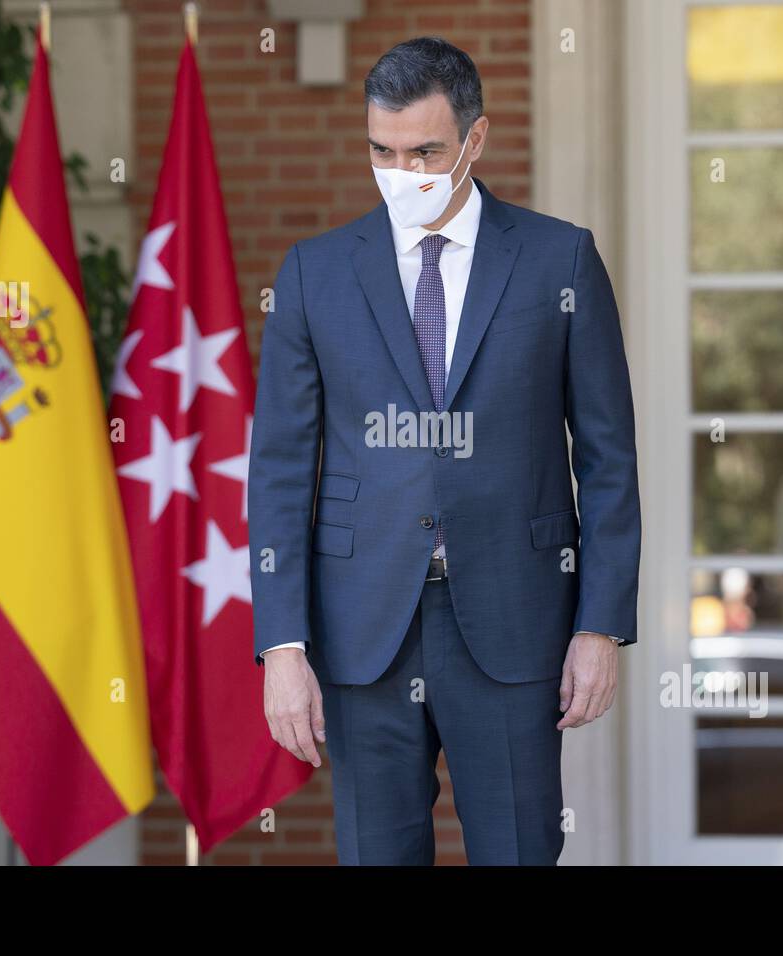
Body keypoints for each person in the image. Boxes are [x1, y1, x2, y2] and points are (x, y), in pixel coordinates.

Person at [248, 36, 641, 865]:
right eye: (382, 153)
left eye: (425, 151)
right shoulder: (316, 274)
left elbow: (606, 457)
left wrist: (601, 623)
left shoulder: (558, 260)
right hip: (362, 632)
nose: (404, 173)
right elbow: (280, 470)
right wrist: (282, 647)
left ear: (475, 139)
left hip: (515, 619)